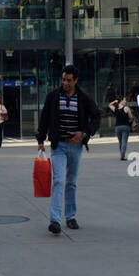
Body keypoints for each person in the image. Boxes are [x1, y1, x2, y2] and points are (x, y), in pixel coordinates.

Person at [36, 64, 100, 235]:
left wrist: (85, 133)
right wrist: (40, 139)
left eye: (69, 80)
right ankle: (55, 220)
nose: (65, 83)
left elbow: (96, 116)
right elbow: (44, 118)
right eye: (63, 79)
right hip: (59, 145)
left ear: (76, 80)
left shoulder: (83, 98)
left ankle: (70, 217)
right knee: (58, 180)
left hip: (76, 147)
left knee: (71, 182)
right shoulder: (53, 97)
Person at [110, 93, 133, 161]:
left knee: (120, 142)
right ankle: (122, 155)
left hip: (117, 127)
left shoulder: (115, 109)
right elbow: (131, 117)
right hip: (125, 127)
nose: (125, 101)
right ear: (121, 101)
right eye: (124, 100)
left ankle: (122, 154)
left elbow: (109, 105)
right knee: (124, 142)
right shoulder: (126, 108)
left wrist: (114, 102)